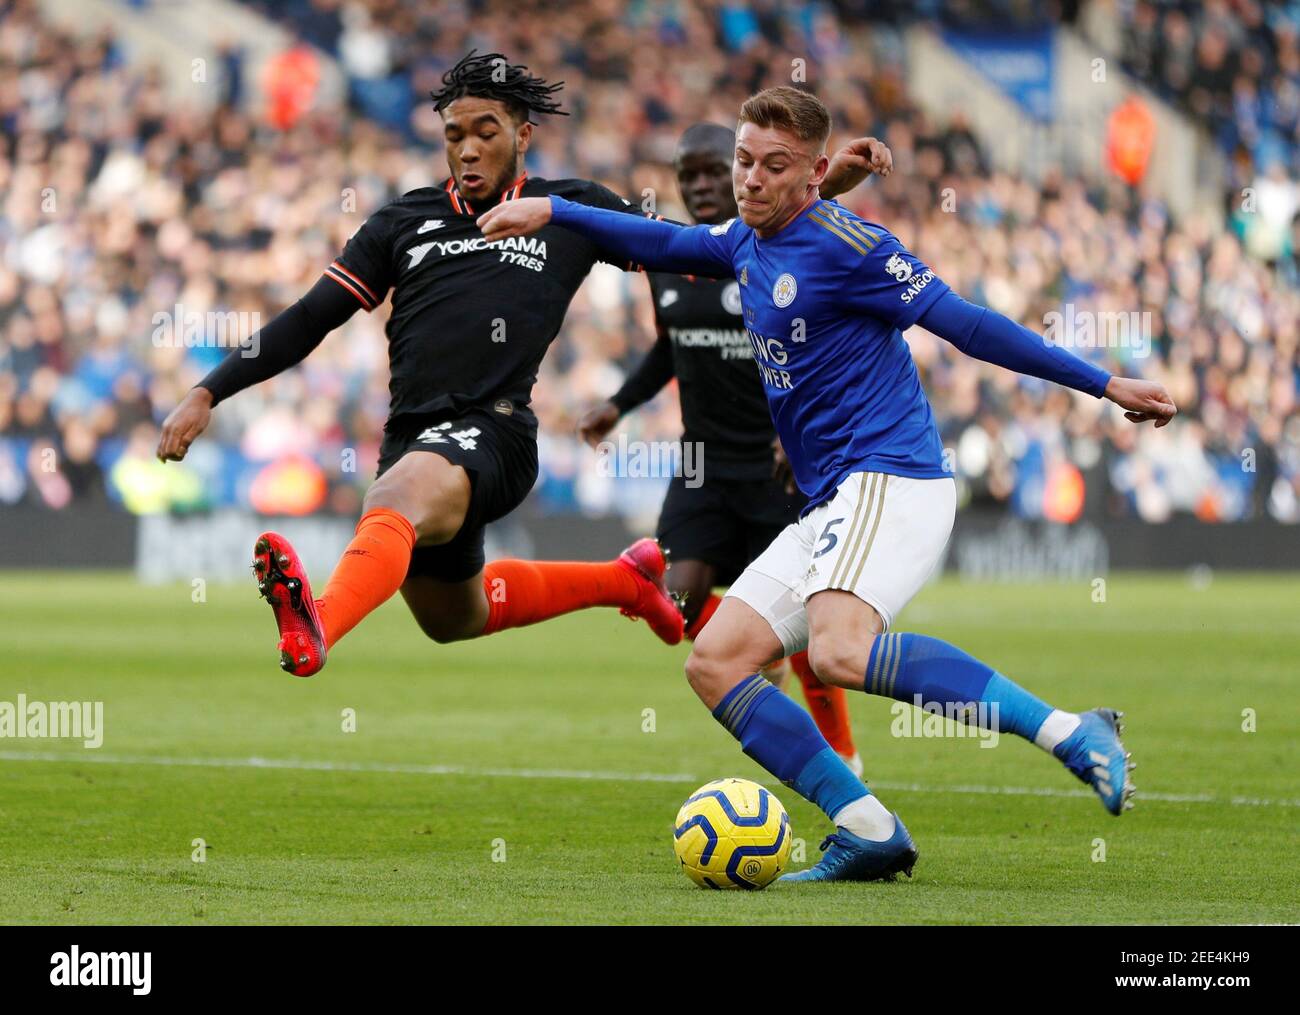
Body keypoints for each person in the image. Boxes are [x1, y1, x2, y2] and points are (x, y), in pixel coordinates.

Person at [478, 86, 1177, 882]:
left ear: (811, 174)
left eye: (773, 166)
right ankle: (866, 825)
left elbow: (971, 324)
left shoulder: (857, 248)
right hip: (830, 499)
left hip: (892, 475)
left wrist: (1101, 382)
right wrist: (556, 214)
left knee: (841, 650)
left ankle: (1070, 730)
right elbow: (657, 240)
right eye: (744, 160)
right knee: (715, 659)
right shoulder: (745, 242)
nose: (748, 179)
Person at [156, 54, 883, 679]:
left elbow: (702, 250)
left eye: (485, 132)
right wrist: (207, 390)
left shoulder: (565, 211)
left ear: (523, 135)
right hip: (415, 434)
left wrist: (822, 191)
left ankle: (319, 622)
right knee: (452, 616)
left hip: (496, 433)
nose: (467, 150)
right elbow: (309, 319)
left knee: (395, 495)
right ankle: (625, 582)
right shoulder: (401, 223)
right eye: (454, 136)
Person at [578, 122, 867, 776]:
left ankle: (844, 760)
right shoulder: (670, 256)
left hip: (781, 466)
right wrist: (618, 405)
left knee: (807, 634)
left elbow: (826, 343)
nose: (704, 185)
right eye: (691, 174)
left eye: (716, 170)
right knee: (674, 606)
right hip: (703, 465)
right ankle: (758, 663)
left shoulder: (777, 246)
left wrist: (806, 432)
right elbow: (669, 345)